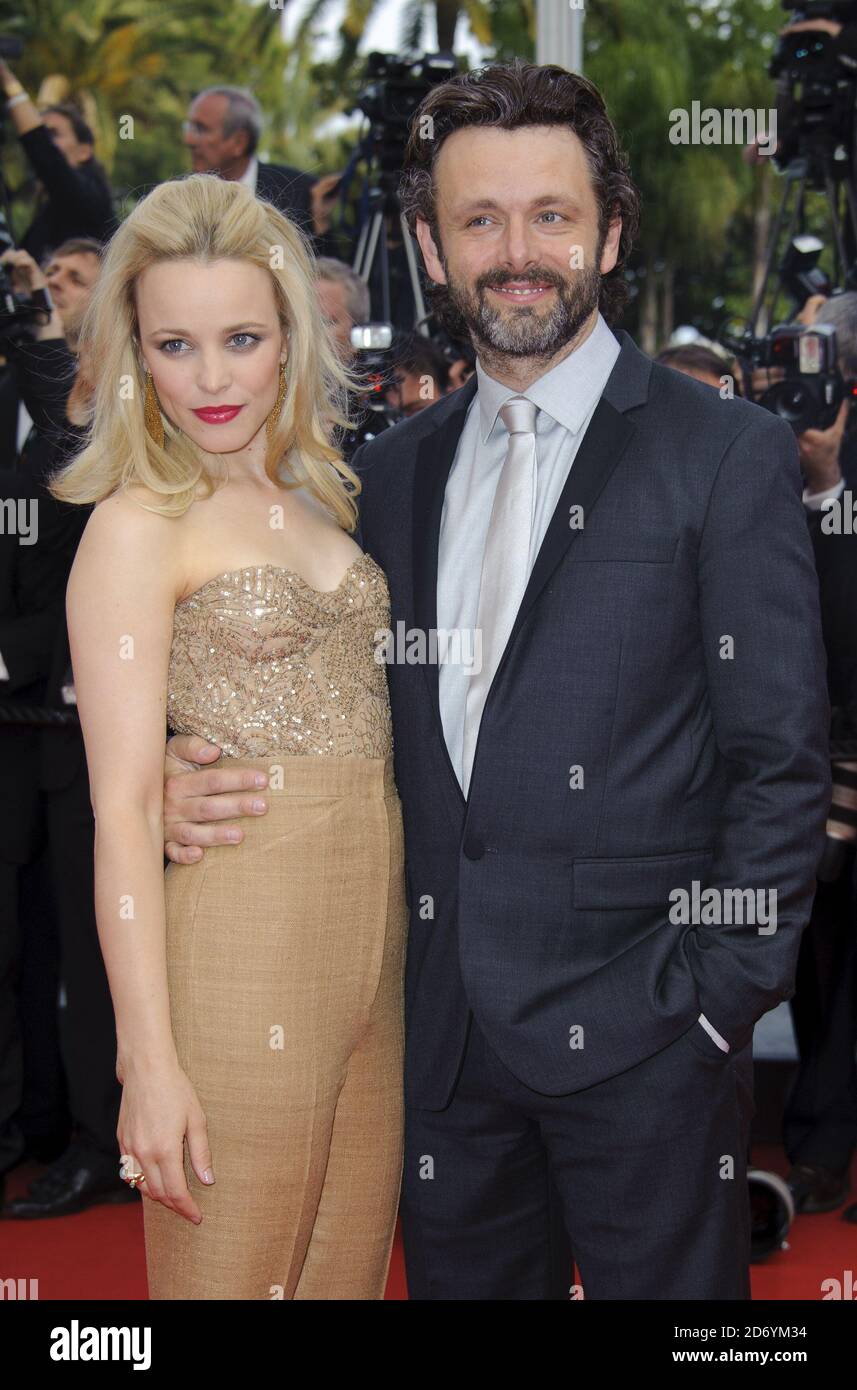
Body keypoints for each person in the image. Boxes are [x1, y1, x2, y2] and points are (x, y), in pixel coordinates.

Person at [161, 60, 831, 1300]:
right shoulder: (389, 476)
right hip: (438, 1048)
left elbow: (778, 766)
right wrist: (169, 771)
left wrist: (707, 1009)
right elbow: (320, 712)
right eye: (477, 220)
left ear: (609, 232)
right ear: (428, 244)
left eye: (550, 215)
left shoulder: (723, 457)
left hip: (650, 1046)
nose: (515, 252)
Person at [47, 173, 408, 1299]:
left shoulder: (323, 499)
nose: (209, 378)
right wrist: (144, 1058)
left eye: (241, 338)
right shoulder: (133, 524)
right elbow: (120, 808)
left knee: (343, 1282)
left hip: (377, 959)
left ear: (292, 334)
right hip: (237, 943)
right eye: (174, 343)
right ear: (134, 353)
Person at [183, 86, 344, 261]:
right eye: (189, 127)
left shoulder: (300, 193)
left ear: (239, 142)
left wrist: (321, 222)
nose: (189, 139)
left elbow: (329, 277)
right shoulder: (179, 198)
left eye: (201, 129)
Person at [0, 61, 116, 262]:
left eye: (53, 134)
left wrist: (7, 80)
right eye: (45, 134)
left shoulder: (93, 197)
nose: (46, 141)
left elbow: (44, 153)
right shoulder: (44, 208)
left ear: (84, 151)